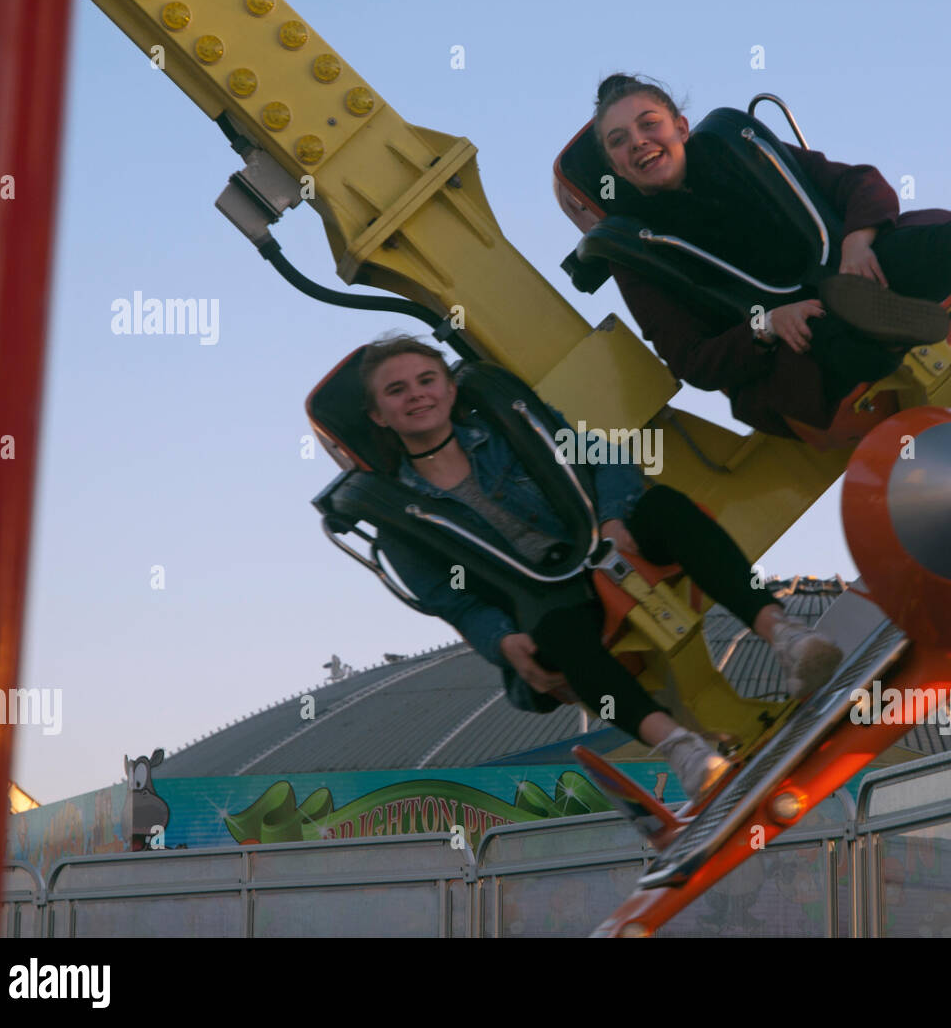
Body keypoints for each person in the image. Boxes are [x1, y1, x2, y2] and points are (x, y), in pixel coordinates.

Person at [360, 333, 844, 800]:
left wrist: (612, 517)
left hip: (604, 546)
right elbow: (457, 602)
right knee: (554, 634)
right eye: (397, 390)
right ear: (377, 416)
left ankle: (785, 636)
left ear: (450, 387)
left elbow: (602, 456)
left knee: (666, 508)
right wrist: (502, 640)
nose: (416, 395)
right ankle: (681, 748)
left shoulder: (513, 427)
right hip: (548, 599)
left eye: (427, 380)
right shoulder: (401, 519)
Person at [590, 73, 951, 440]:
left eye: (649, 124)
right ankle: (886, 328)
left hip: (856, 273)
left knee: (899, 254)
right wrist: (767, 325)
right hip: (790, 348)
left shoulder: (741, 149)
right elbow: (691, 359)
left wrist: (857, 239)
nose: (638, 142)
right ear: (615, 167)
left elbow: (854, 182)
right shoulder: (636, 252)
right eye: (619, 142)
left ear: (681, 126)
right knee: (826, 325)